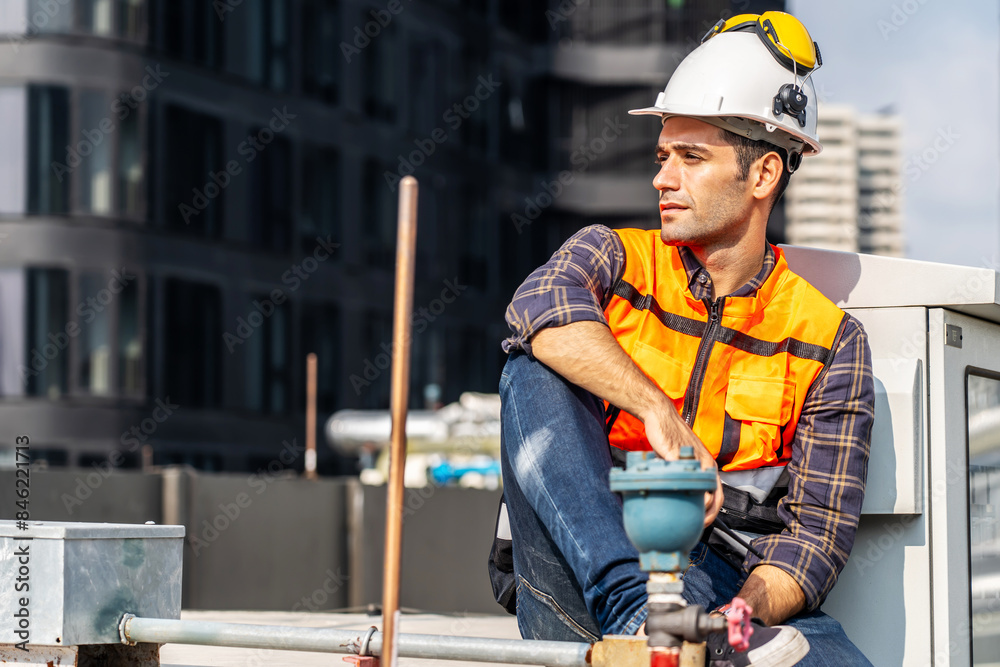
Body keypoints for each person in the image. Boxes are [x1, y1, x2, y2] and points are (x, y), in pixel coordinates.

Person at [492, 12, 875, 667]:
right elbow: (538, 308)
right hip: (586, 568)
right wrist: (657, 412)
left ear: (763, 177)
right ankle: (638, 616)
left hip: (726, 589)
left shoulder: (829, 337)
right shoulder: (612, 257)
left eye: (690, 158)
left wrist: (741, 614)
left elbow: (815, 536)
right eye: (662, 155)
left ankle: (682, 633)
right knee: (533, 368)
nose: (661, 179)